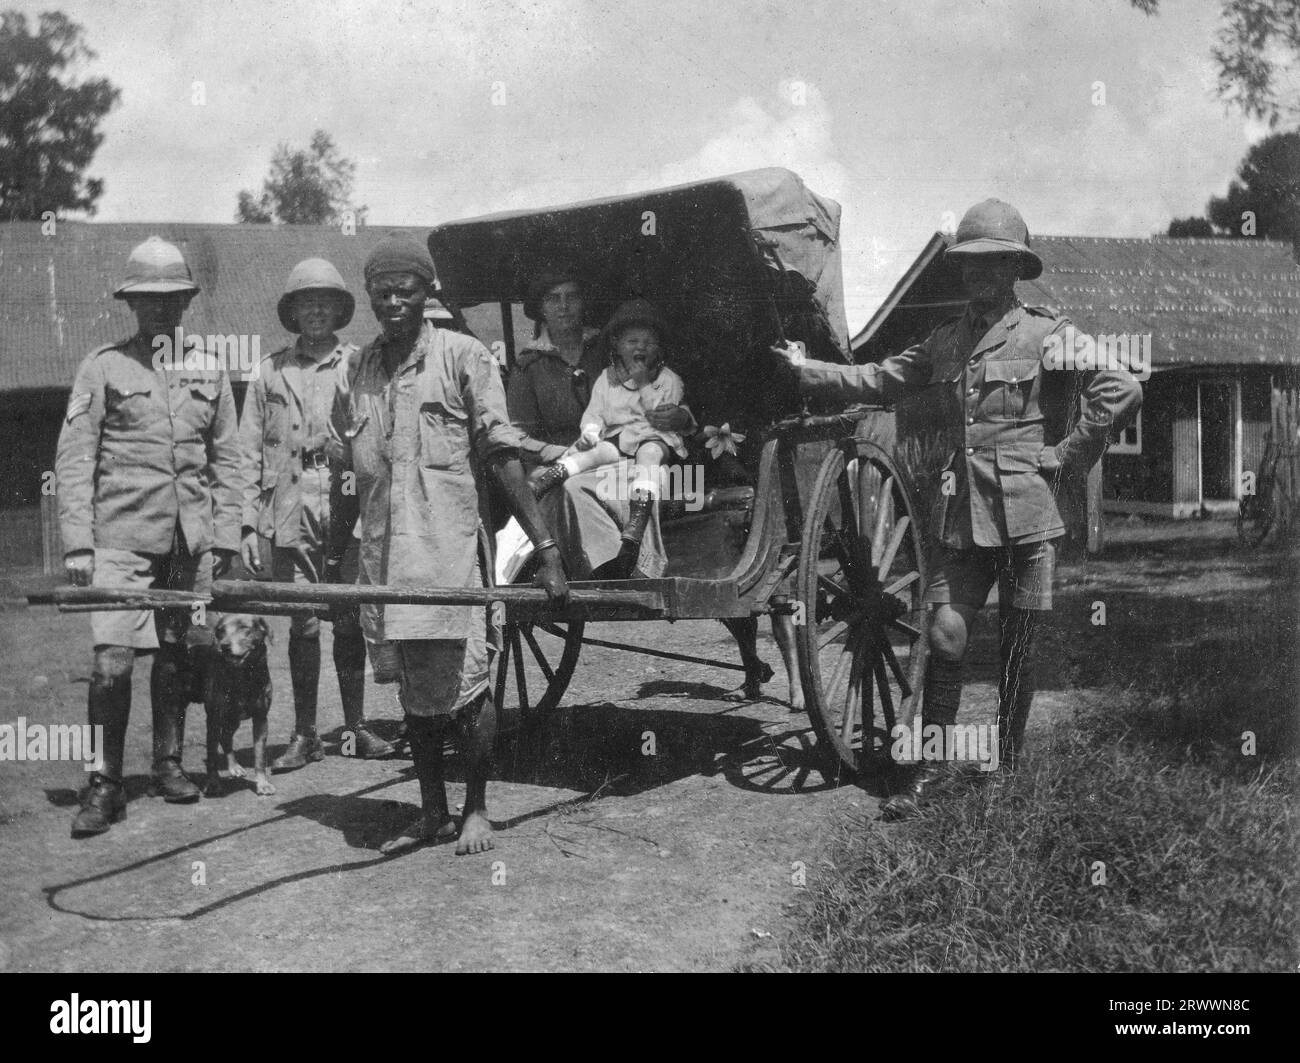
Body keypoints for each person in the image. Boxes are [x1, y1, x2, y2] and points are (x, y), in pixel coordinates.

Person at [776, 199, 1142, 816]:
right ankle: (930, 772)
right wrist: (808, 371)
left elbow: (1121, 386)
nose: (982, 277)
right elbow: (878, 378)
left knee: (1018, 644)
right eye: (971, 266)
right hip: (960, 509)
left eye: (995, 265)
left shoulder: (1047, 333)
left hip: (1028, 512)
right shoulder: (945, 341)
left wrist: (1070, 453)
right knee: (946, 633)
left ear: (1014, 271)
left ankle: (1008, 765)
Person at [328, 233, 567, 856]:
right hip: (384, 556)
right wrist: (335, 557)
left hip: (448, 549)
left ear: (426, 292)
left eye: (404, 291)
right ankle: (432, 807)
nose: (392, 303)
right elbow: (341, 469)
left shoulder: (464, 356)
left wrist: (545, 550)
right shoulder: (357, 369)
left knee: (466, 687)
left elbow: (503, 456)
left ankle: (476, 810)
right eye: (381, 294)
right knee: (414, 691)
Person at [56, 236, 241, 837]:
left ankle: (168, 763)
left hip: (188, 545)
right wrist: (78, 542)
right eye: (148, 301)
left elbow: (229, 460)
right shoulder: (103, 366)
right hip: (119, 539)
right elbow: (76, 457)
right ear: (132, 305)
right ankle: (105, 782)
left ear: (186, 302)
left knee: (178, 657)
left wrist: (229, 535)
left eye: (172, 300)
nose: (161, 311)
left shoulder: (210, 369)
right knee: (112, 663)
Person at [237, 258, 395, 770]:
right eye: (306, 303)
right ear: (293, 312)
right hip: (289, 504)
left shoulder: (360, 363)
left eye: (325, 302)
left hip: (346, 498)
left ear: (339, 309)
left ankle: (354, 728)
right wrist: (245, 522)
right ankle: (305, 735)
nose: (316, 311)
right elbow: (245, 451)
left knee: (348, 615)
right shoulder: (269, 371)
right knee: (302, 622)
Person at [528, 298, 688, 574]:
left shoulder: (668, 379)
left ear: (659, 348)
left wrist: (642, 382)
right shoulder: (607, 378)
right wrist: (590, 432)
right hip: (620, 443)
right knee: (596, 452)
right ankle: (548, 480)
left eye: (648, 342)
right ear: (616, 346)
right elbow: (595, 413)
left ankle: (636, 524)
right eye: (632, 342)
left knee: (648, 453)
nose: (641, 347)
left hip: (654, 440)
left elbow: (659, 418)